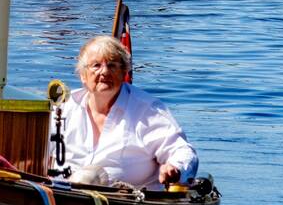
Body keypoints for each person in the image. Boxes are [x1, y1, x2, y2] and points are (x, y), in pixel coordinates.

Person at [53, 35, 198, 189]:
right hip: (63, 196)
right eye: (96, 65)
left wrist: (175, 169)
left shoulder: (147, 111)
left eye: (112, 65)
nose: (105, 72)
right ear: (83, 75)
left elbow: (183, 151)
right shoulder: (63, 107)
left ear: (124, 73)